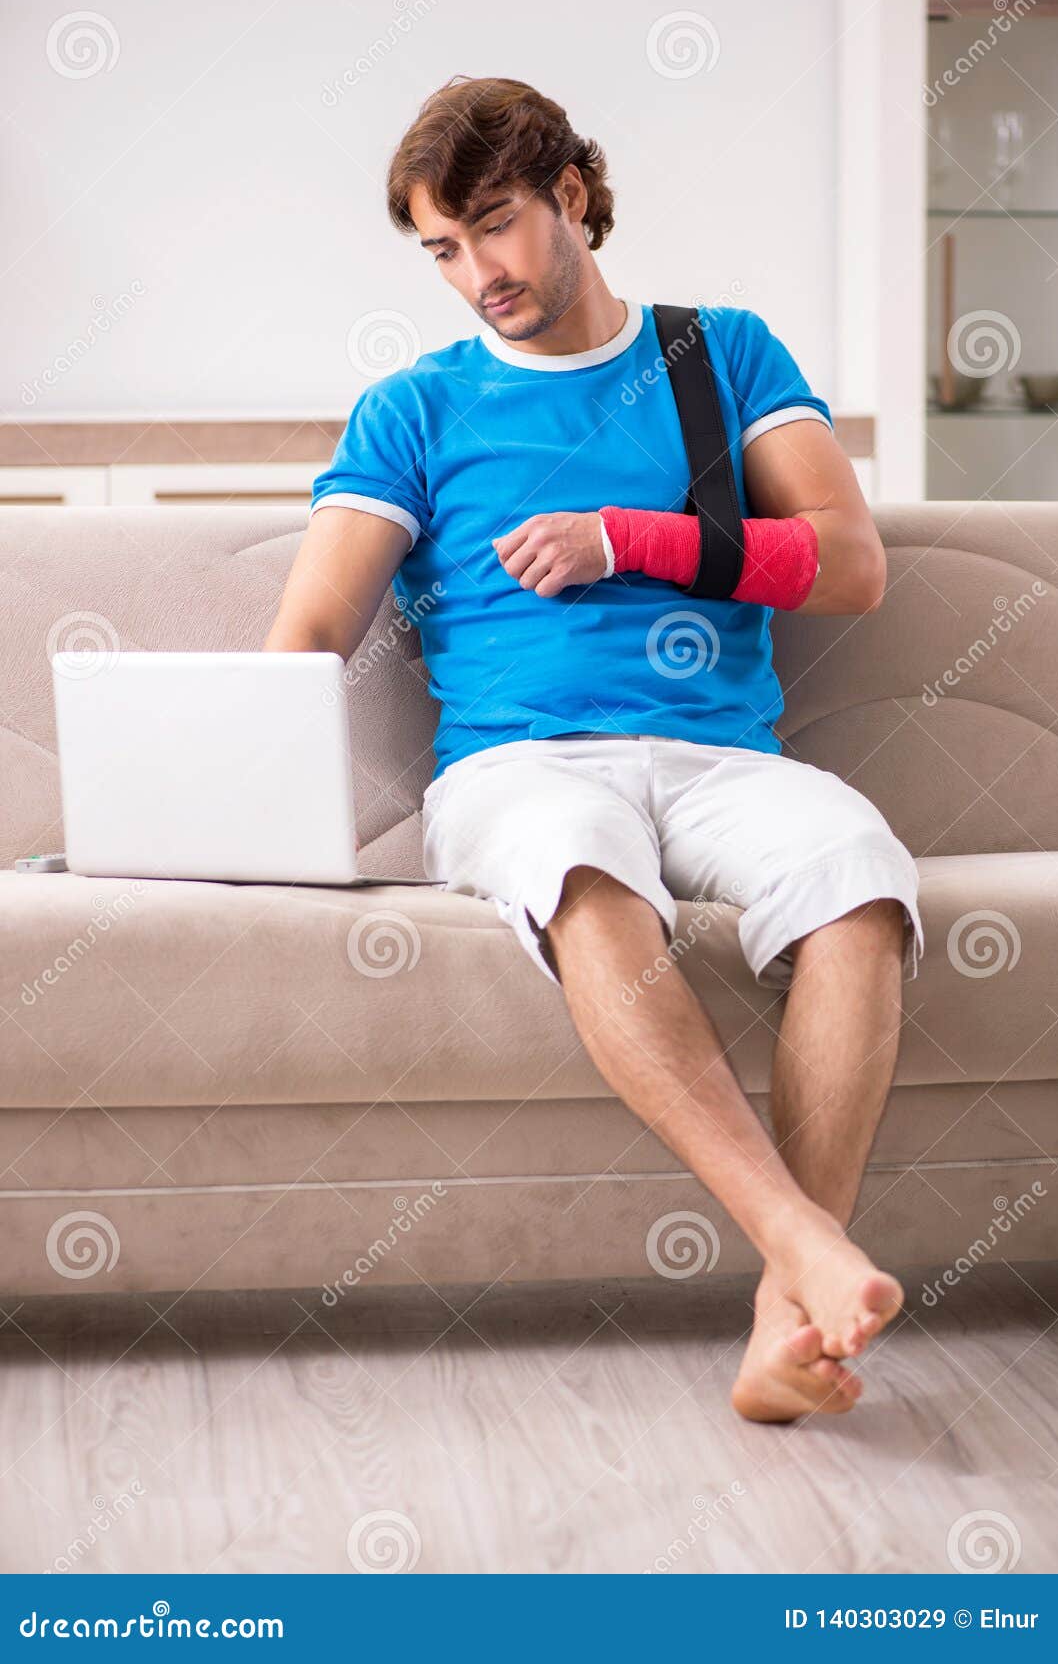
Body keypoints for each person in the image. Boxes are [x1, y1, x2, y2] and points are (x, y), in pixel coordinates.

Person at [264, 75, 926, 1424]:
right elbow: (313, 627)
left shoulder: (716, 354)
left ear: (573, 196)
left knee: (862, 877)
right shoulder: (416, 407)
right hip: (522, 767)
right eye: (441, 248)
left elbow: (850, 566)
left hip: (722, 758)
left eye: (495, 226)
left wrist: (630, 538)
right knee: (580, 866)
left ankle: (776, 1321)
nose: (476, 273)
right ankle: (802, 1248)